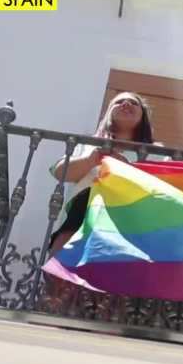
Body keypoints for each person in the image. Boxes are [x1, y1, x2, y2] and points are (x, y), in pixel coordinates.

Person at [47, 91, 158, 255]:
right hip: (81, 220)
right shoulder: (88, 144)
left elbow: (161, 192)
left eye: (133, 103)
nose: (126, 104)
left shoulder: (157, 153)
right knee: (64, 274)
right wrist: (92, 160)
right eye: (119, 102)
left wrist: (129, 171)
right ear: (108, 113)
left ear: (143, 115)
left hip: (131, 227)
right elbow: (60, 172)